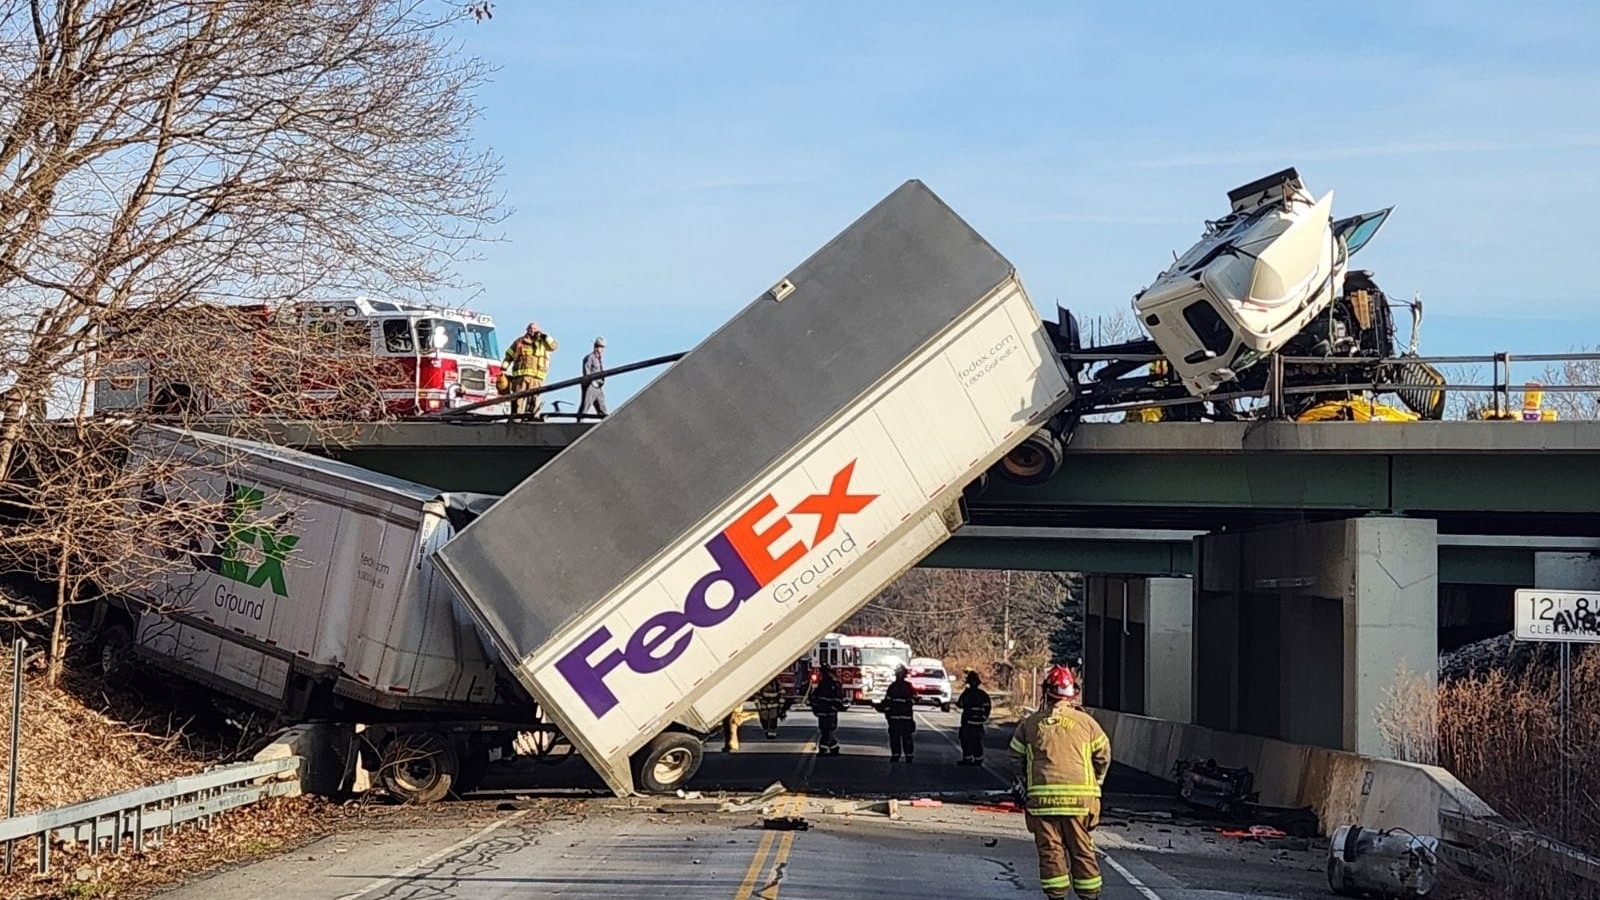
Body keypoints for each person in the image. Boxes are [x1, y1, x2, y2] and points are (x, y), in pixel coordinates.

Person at [1010, 665, 1111, 900]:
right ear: (1073, 692)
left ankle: (1056, 896)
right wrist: (1096, 781)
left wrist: (1026, 780)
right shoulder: (1087, 723)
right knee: (1082, 850)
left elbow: (1015, 758)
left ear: (1046, 691)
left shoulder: (1030, 724)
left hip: (1042, 802)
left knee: (1050, 851)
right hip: (1081, 802)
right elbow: (1103, 755)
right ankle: (1090, 896)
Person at [503, 321, 558, 418]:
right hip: (520, 378)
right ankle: (515, 418)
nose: (532, 331)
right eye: (530, 329)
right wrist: (504, 367)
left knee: (534, 400)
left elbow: (554, 346)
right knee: (517, 399)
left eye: (535, 329)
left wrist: (545, 337)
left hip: (537, 378)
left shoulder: (543, 342)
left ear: (538, 330)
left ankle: (531, 417)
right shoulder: (519, 342)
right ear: (527, 330)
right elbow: (509, 354)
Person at [877, 664, 916, 762]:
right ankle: (898, 755)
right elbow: (887, 701)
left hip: (902, 717)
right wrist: (881, 707)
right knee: (897, 737)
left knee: (903, 737)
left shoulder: (906, 686)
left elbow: (914, 698)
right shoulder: (894, 687)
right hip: (897, 717)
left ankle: (906, 755)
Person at [956, 669, 992, 766]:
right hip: (978, 723)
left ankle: (968, 758)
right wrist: (984, 717)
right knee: (976, 740)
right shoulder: (983, 695)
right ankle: (977, 759)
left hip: (968, 722)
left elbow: (959, 704)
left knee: (966, 740)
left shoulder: (967, 694)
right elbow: (988, 707)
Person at [809, 664, 846, 756]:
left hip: (829, 712)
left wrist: (834, 705)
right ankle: (831, 748)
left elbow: (838, 698)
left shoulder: (833, 684)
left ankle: (827, 748)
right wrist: (815, 706)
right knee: (825, 730)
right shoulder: (823, 684)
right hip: (824, 711)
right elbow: (815, 697)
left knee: (827, 730)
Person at [580, 336, 608, 419]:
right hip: (591, 386)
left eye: (603, 347)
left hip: (598, 386)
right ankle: (578, 422)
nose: (602, 349)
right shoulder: (590, 357)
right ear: (596, 347)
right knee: (585, 406)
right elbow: (586, 371)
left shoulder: (599, 359)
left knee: (602, 408)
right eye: (601, 347)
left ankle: (606, 423)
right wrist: (591, 382)